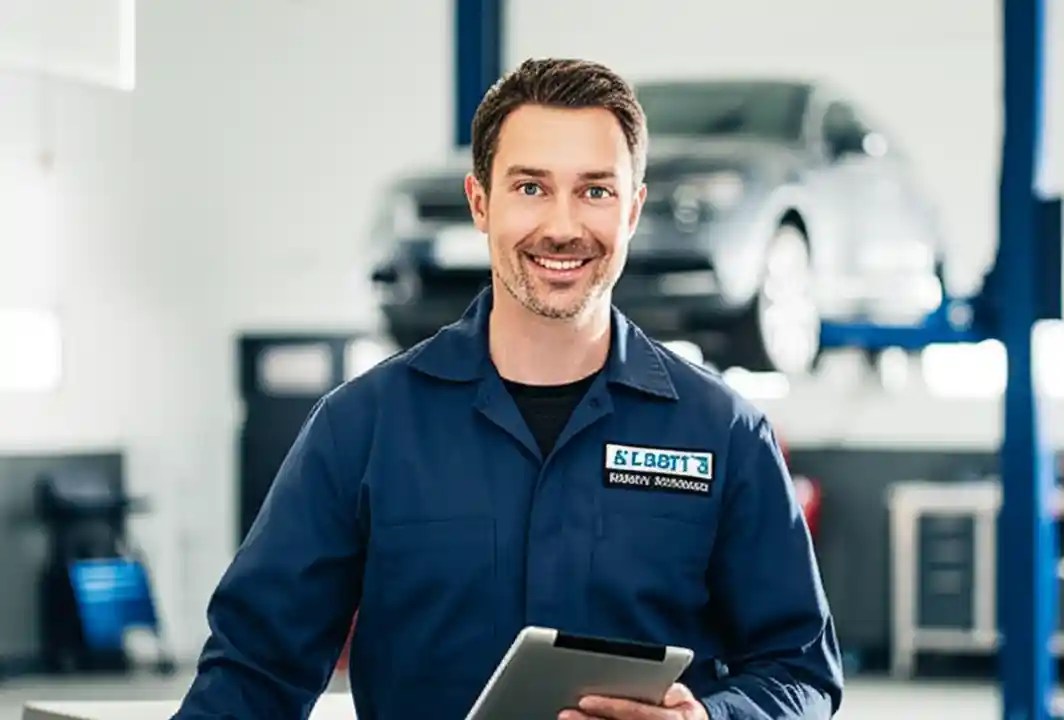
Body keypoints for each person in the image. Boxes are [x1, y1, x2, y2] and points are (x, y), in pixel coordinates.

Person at [172, 57, 843, 720]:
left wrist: (710, 719)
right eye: (531, 187)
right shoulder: (363, 429)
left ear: (633, 210)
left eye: (595, 190)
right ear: (480, 203)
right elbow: (255, 670)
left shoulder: (722, 433)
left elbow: (800, 672)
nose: (562, 224)